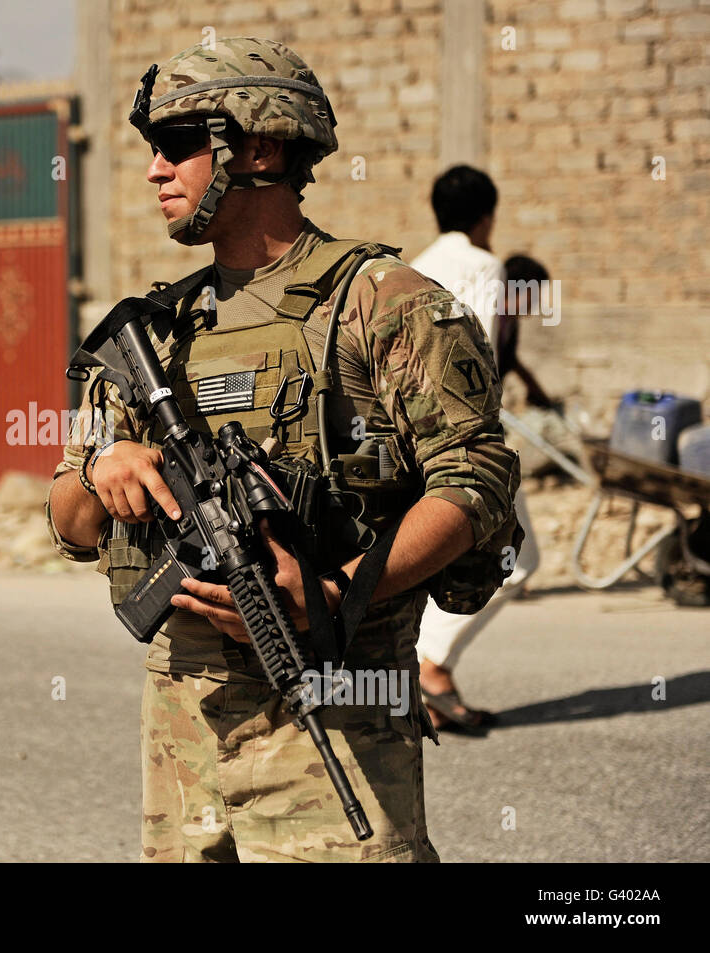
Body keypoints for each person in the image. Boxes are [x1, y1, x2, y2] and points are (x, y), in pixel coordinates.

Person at [44, 38, 519, 862]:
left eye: (179, 144)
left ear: (258, 147)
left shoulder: (385, 305)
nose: (156, 169)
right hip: (184, 733)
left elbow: (475, 483)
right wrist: (98, 466)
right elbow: (69, 524)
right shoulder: (153, 335)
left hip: (335, 714)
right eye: (152, 149)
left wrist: (336, 588)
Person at [410, 171, 546, 732]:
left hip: (408, 441)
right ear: (487, 216)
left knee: (432, 556)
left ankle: (426, 678)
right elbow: (480, 364)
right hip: (466, 443)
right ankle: (431, 667)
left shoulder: (413, 264)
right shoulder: (486, 268)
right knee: (517, 561)